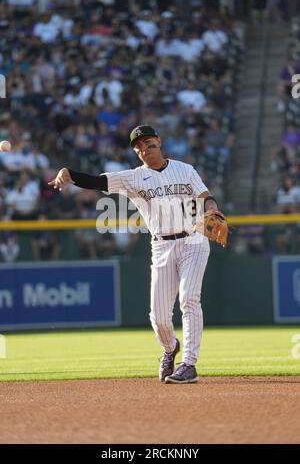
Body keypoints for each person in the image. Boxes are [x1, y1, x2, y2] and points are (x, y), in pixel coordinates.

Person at [48, 124, 225, 384]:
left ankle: (189, 363)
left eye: (148, 142)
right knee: (159, 317)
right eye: (138, 145)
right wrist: (68, 174)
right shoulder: (131, 178)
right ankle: (169, 349)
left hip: (193, 241)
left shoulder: (185, 170)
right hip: (162, 246)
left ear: (159, 142)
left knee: (189, 299)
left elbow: (205, 196)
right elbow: (97, 181)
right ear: (135, 150)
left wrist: (214, 209)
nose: (144, 148)